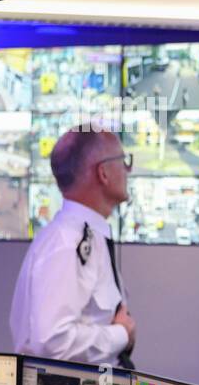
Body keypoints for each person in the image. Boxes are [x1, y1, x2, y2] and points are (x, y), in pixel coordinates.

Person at [10, 125, 136, 367]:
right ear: (103, 173)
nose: (128, 170)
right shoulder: (68, 243)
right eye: (123, 161)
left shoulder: (84, 237)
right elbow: (52, 341)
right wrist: (121, 334)